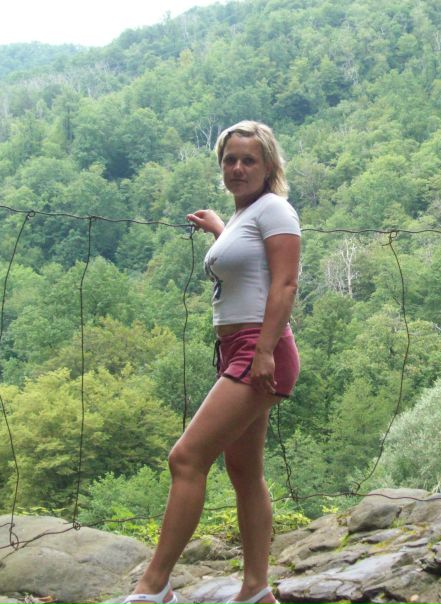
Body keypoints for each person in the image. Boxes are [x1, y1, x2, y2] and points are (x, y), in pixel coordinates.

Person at [123, 121, 301, 604]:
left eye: (249, 160)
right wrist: (221, 229)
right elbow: (249, 262)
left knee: (185, 458)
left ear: (268, 165)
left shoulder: (275, 209)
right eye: (229, 159)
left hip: (259, 350)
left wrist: (263, 352)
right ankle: (256, 589)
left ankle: (154, 587)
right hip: (239, 350)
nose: (237, 168)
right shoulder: (245, 214)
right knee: (244, 472)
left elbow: (285, 283)